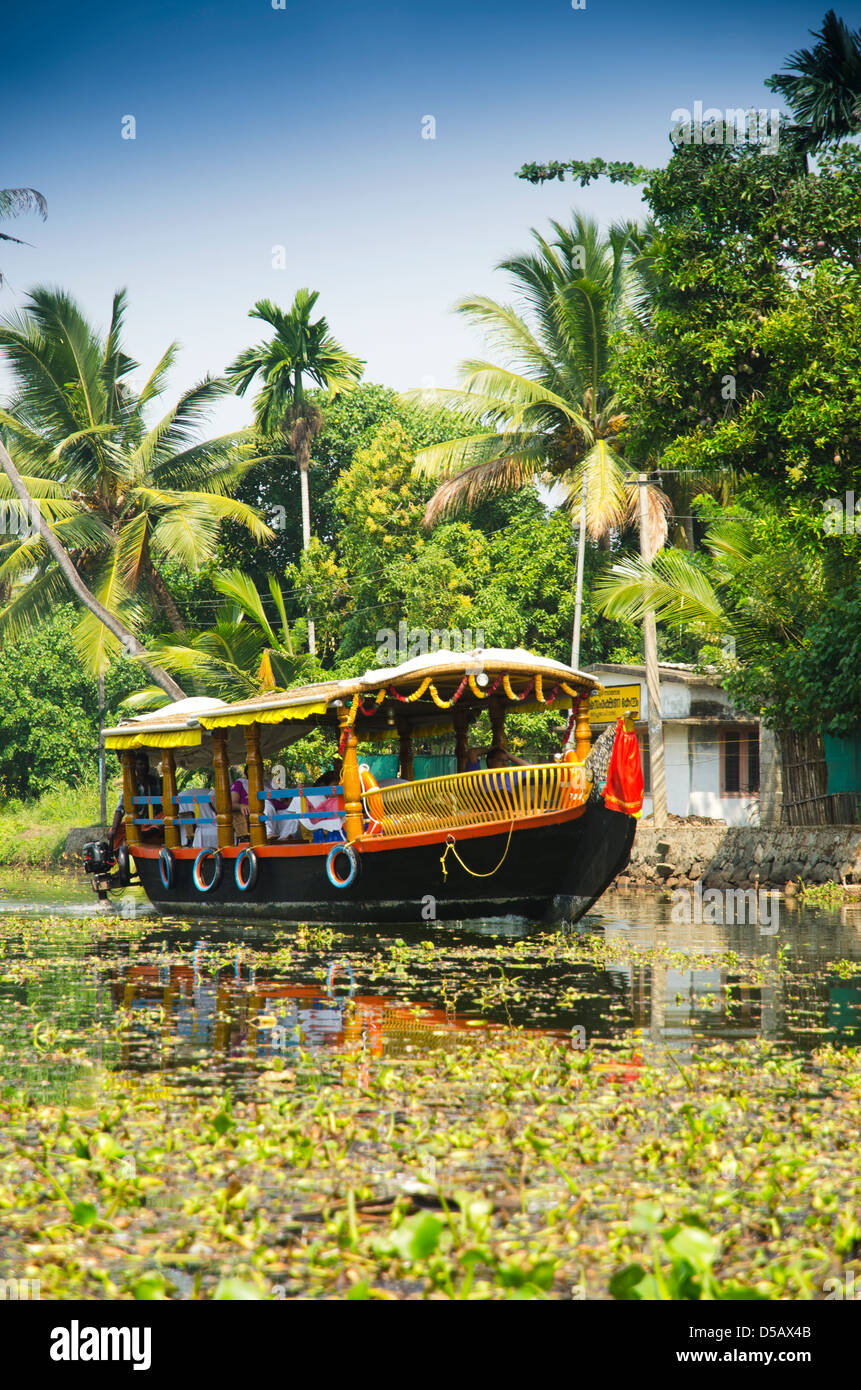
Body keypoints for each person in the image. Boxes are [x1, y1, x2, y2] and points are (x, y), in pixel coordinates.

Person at [109, 752, 163, 847]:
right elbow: (120, 809)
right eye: (140, 764)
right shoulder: (131, 784)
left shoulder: (155, 782)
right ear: (135, 767)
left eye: (145, 764)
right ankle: (117, 856)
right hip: (137, 821)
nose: (143, 767)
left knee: (166, 816)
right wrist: (114, 829)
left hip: (154, 821)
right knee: (115, 832)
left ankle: (146, 833)